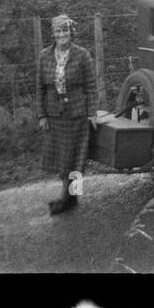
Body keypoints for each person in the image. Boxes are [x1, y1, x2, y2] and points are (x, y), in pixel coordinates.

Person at [37, 14, 96, 215]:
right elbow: (40, 89)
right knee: (63, 158)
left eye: (65, 30)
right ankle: (68, 197)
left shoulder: (82, 55)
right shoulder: (45, 55)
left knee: (77, 158)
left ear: (71, 32)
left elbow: (91, 86)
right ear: (53, 34)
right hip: (55, 115)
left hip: (77, 114)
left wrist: (92, 113)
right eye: (58, 31)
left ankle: (72, 197)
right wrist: (42, 115)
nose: (62, 34)